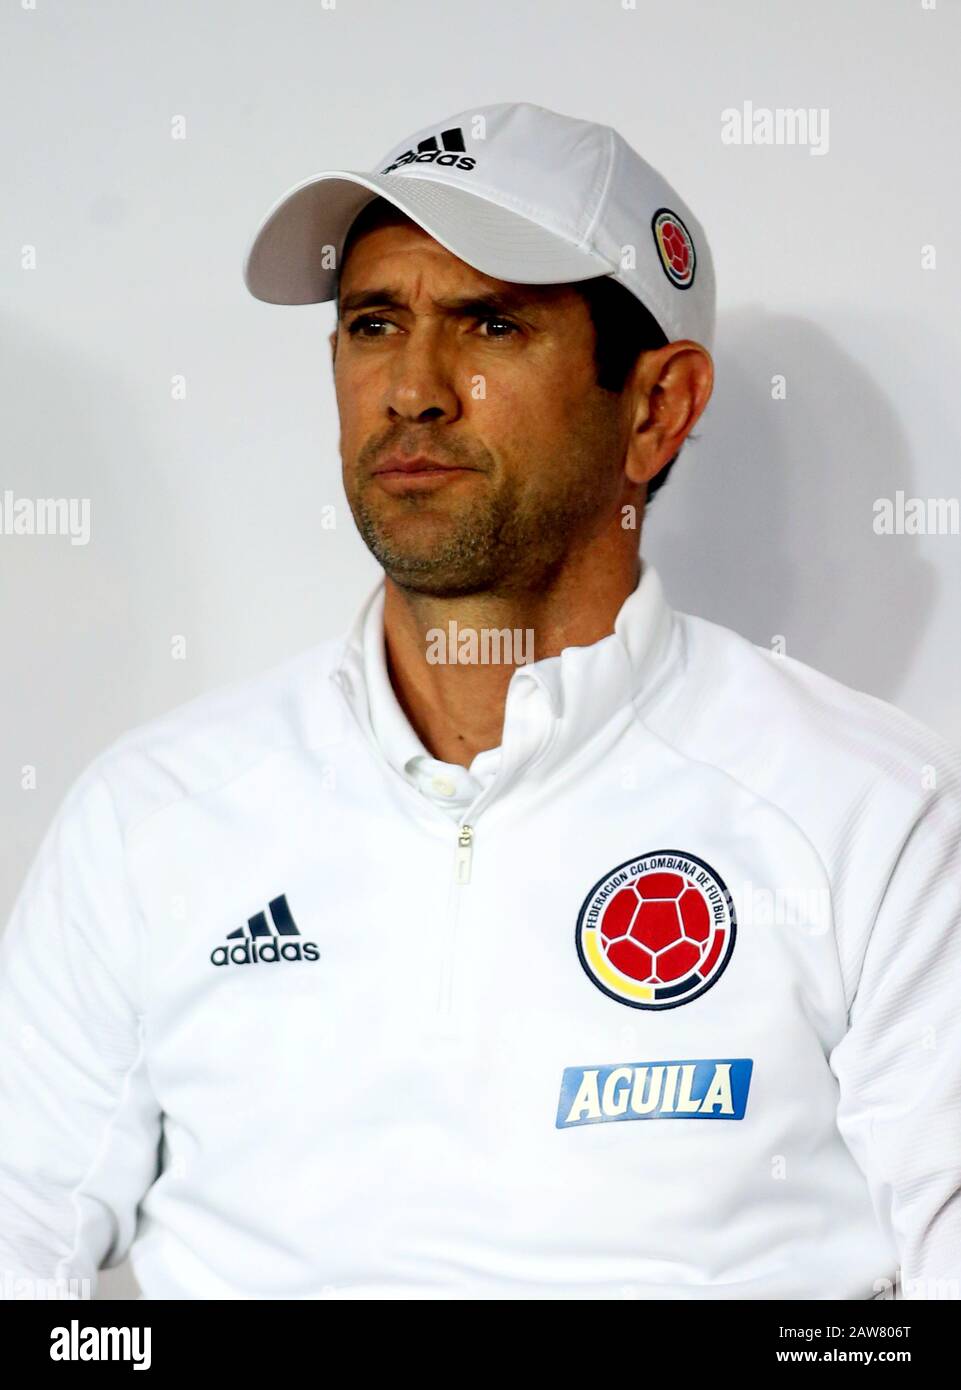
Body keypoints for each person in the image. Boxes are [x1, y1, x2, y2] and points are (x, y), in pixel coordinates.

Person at [1, 101, 958, 1301]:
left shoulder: (871, 813)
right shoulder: (149, 818)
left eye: (490, 322)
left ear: (655, 408)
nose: (410, 389)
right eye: (371, 323)